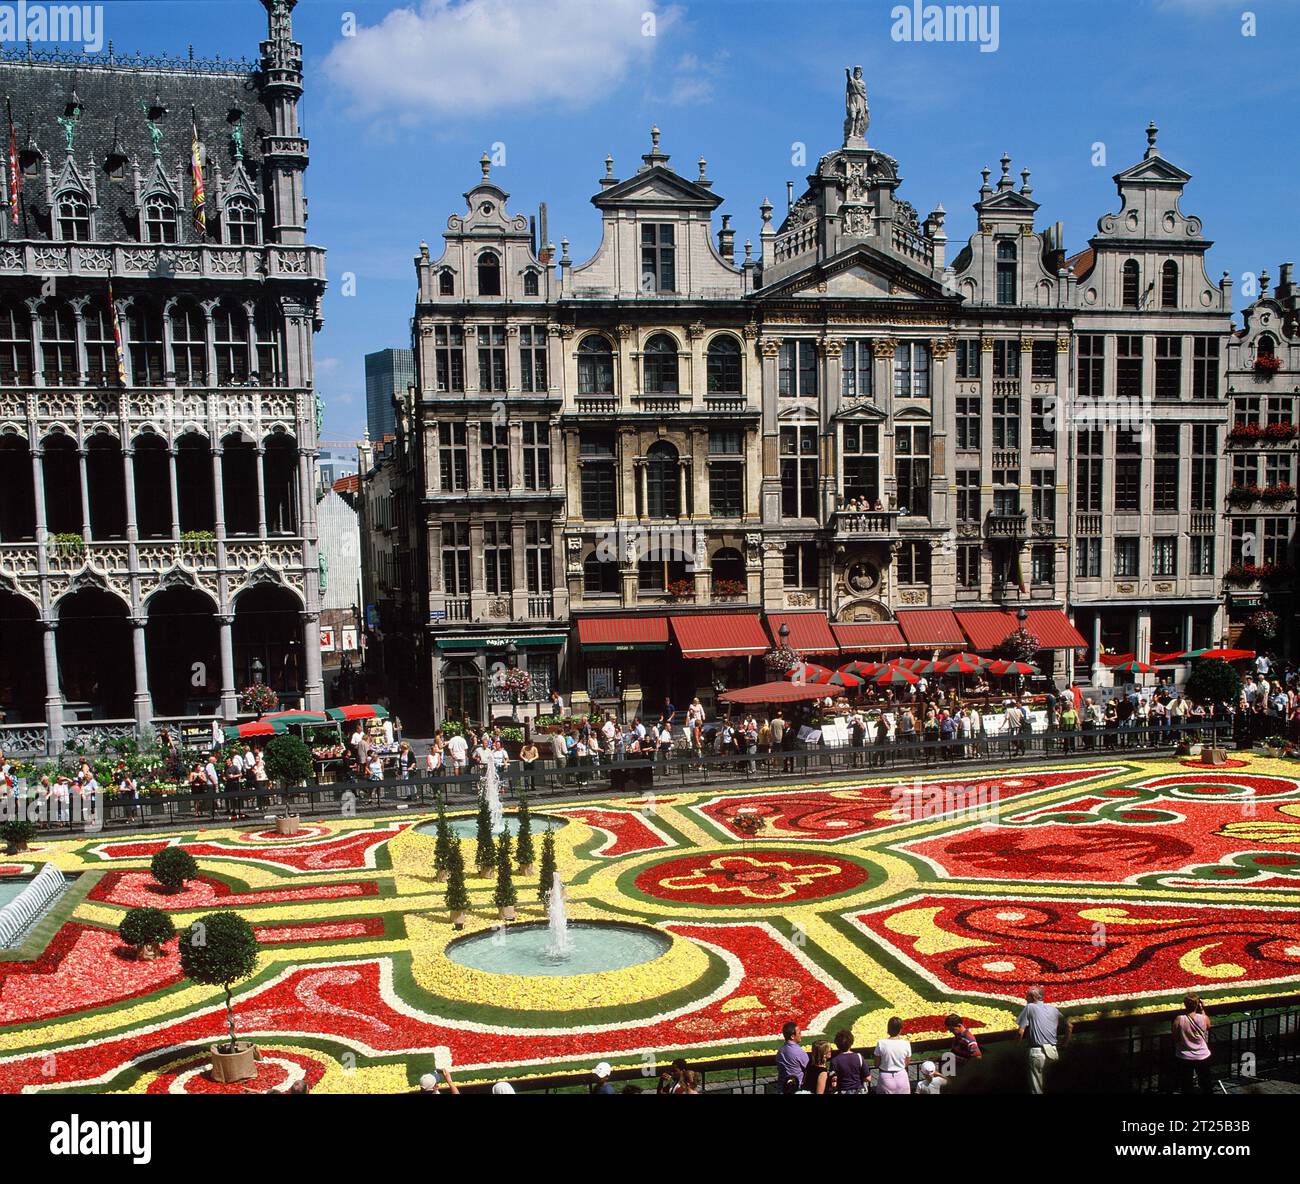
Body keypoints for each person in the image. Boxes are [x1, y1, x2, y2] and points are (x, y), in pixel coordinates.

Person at [1017, 986, 1070, 1094]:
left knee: (1037, 1089)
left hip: (1037, 1053)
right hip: (1053, 1053)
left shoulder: (1030, 1007)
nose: (1025, 998)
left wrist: (1015, 1047)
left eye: (1027, 996)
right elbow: (1069, 1026)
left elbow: (1020, 1032)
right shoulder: (1053, 1009)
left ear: (1033, 997)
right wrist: (1064, 1043)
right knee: (1052, 1085)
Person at [1172, 994, 1214, 1095]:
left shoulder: (1179, 1019)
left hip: (1184, 1056)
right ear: (1197, 1005)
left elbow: (1175, 1037)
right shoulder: (1204, 1018)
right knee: (1206, 1083)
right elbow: (1208, 1026)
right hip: (1202, 1055)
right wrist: (1202, 1009)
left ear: (1185, 1005)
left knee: (1186, 1085)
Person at [873, 1016, 911, 1094]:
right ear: (900, 1029)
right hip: (902, 1077)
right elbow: (906, 1063)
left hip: (885, 1077)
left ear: (888, 1028)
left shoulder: (881, 1043)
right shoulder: (906, 1043)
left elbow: (876, 1064)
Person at [828, 1028, 867, 1095]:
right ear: (851, 1042)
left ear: (837, 1044)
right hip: (858, 1090)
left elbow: (833, 1079)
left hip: (842, 1091)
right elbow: (868, 1078)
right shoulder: (859, 1057)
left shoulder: (835, 1060)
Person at [776, 1021, 808, 1092]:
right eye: (799, 1033)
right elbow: (809, 1069)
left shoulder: (780, 1051)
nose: (801, 1035)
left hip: (782, 1088)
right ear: (792, 1036)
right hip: (796, 1089)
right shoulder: (799, 1052)